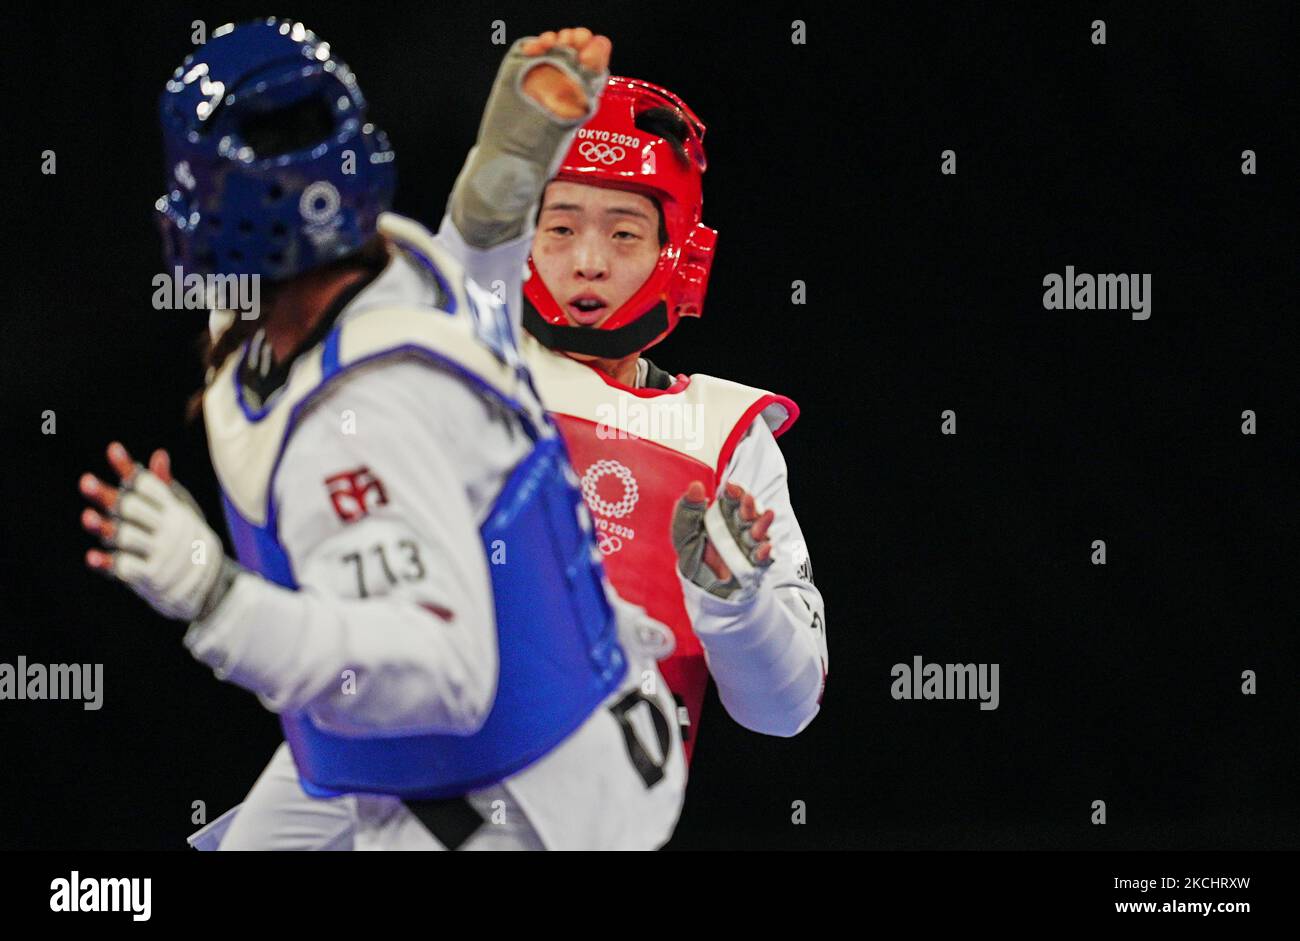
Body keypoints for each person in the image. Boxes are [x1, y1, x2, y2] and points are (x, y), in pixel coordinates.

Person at [77, 20, 684, 850]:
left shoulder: (363, 418)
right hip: (524, 718)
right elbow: (469, 282)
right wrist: (507, 167)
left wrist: (212, 593)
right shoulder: (396, 268)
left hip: (521, 791)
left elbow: (442, 675)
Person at [517, 77, 828, 762]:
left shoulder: (723, 433)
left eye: (624, 234)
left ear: (679, 255)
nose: (589, 262)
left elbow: (786, 710)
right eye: (561, 228)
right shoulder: (452, 376)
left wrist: (734, 605)